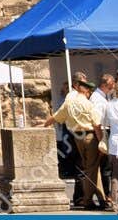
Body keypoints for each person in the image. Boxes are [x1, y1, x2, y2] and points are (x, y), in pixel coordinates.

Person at [45, 73, 105, 210]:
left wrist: (44, 124)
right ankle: (88, 201)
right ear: (80, 87)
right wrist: (102, 142)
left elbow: (57, 115)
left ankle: (101, 198)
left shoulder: (70, 100)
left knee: (92, 168)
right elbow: (96, 125)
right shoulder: (88, 104)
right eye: (87, 87)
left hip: (76, 137)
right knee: (91, 170)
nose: (89, 90)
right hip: (89, 136)